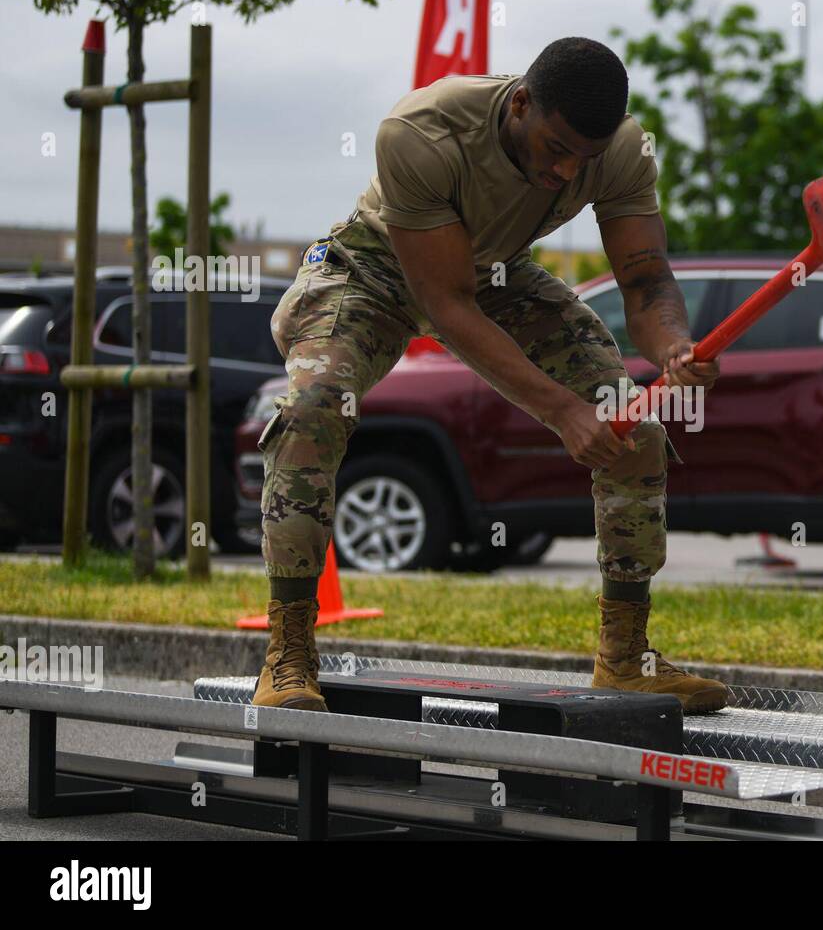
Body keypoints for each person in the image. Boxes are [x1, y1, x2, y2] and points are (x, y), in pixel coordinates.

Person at [252, 37, 728, 713]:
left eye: (582, 159)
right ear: (521, 103)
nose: (565, 171)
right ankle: (288, 655)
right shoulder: (422, 132)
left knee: (633, 426)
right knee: (313, 409)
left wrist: (677, 347)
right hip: (370, 274)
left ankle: (625, 658)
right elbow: (445, 306)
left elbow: (645, 277)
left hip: (495, 271)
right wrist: (562, 411)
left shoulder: (621, 150)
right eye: (554, 148)